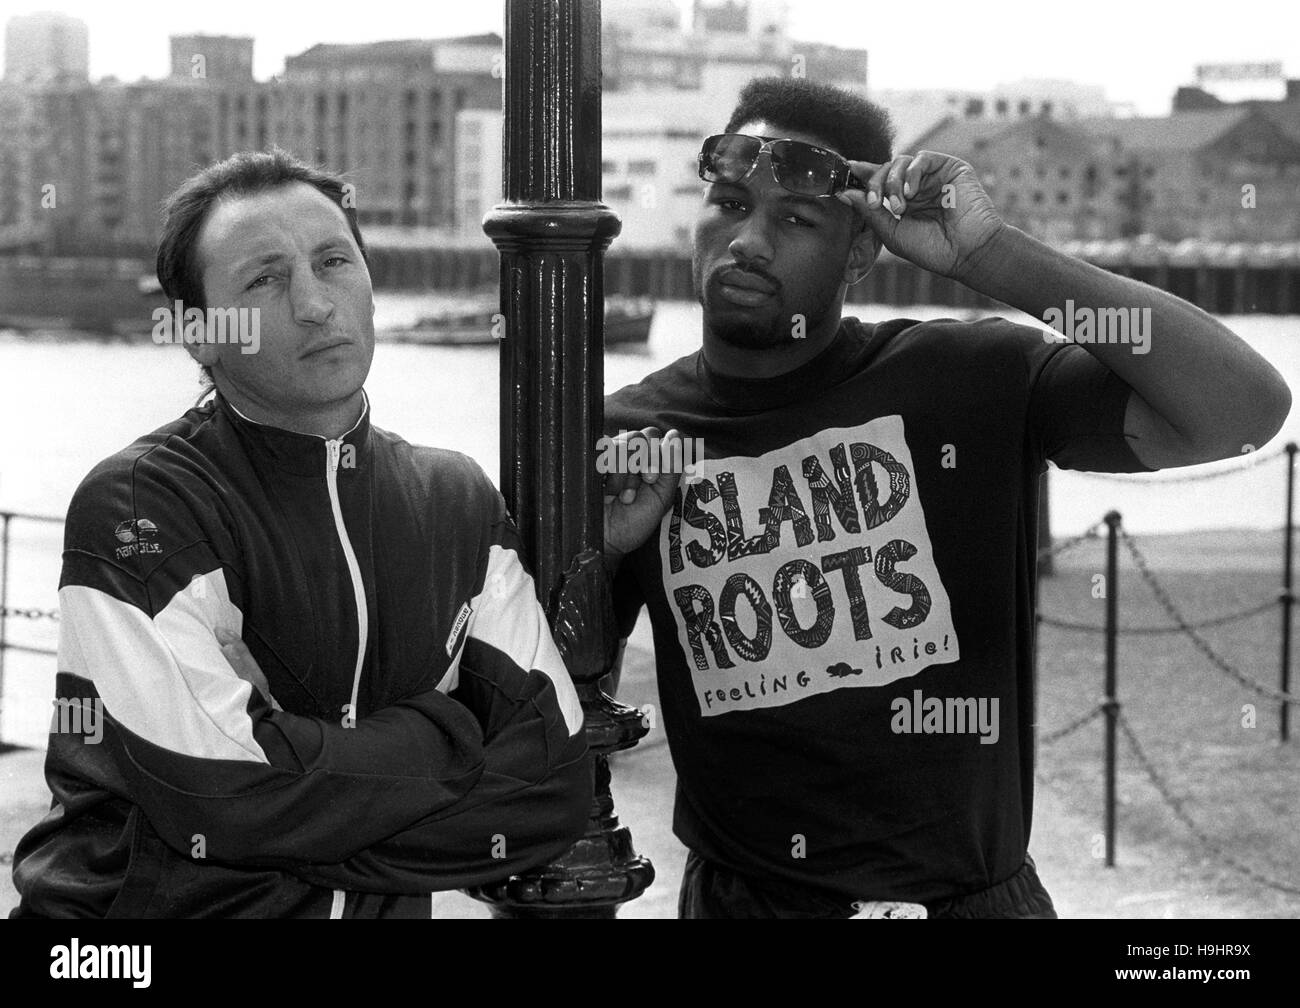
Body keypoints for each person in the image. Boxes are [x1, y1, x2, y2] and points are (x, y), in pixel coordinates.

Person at [600, 77, 1292, 918]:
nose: (746, 240)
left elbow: (1243, 411)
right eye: (729, 202)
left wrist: (987, 254)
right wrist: (601, 548)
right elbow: (549, 683)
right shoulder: (632, 437)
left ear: (860, 255)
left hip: (968, 903)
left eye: (795, 220)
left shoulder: (964, 381)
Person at [10, 149, 590, 918]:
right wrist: (449, 736)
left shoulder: (455, 501)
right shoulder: (143, 506)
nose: (315, 304)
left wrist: (288, 778)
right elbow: (218, 794)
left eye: (333, 262)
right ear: (199, 334)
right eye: (266, 279)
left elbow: (550, 788)